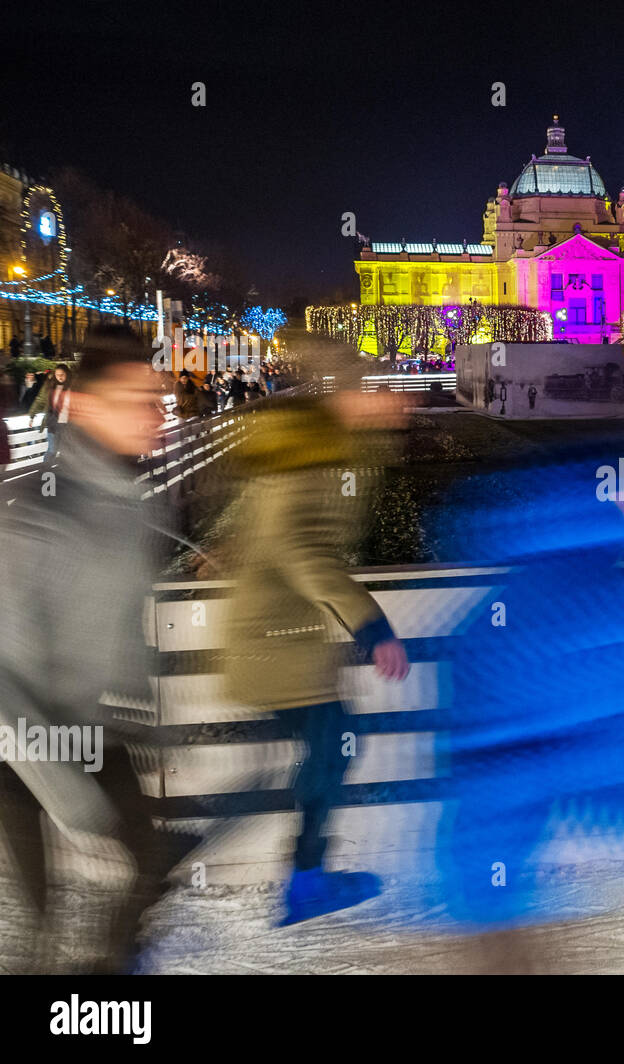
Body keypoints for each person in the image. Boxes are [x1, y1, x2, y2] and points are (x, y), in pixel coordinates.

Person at [0, 325, 202, 972]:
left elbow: (119, 632)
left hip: (92, 731)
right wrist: (73, 801)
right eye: (134, 400)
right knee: (43, 926)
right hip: (19, 751)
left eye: (155, 398)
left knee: (147, 869)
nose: (155, 414)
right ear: (83, 407)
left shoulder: (136, 506)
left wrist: (148, 723)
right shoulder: (30, 514)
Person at [221, 337, 409, 926]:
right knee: (330, 747)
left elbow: (278, 536)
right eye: (377, 391)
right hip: (278, 644)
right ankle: (304, 880)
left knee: (328, 747)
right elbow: (306, 554)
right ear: (346, 397)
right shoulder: (311, 462)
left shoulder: (315, 449)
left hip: (281, 639)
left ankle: (305, 875)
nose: (392, 400)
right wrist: (373, 627)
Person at [29, 363, 73, 460]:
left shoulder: (73, 387)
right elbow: (40, 400)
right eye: (57, 375)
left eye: (62, 374)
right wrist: (32, 415)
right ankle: (46, 468)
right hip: (53, 423)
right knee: (52, 450)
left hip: (67, 425)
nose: (59, 377)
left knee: (66, 451)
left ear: (67, 374)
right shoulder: (49, 385)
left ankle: (62, 468)